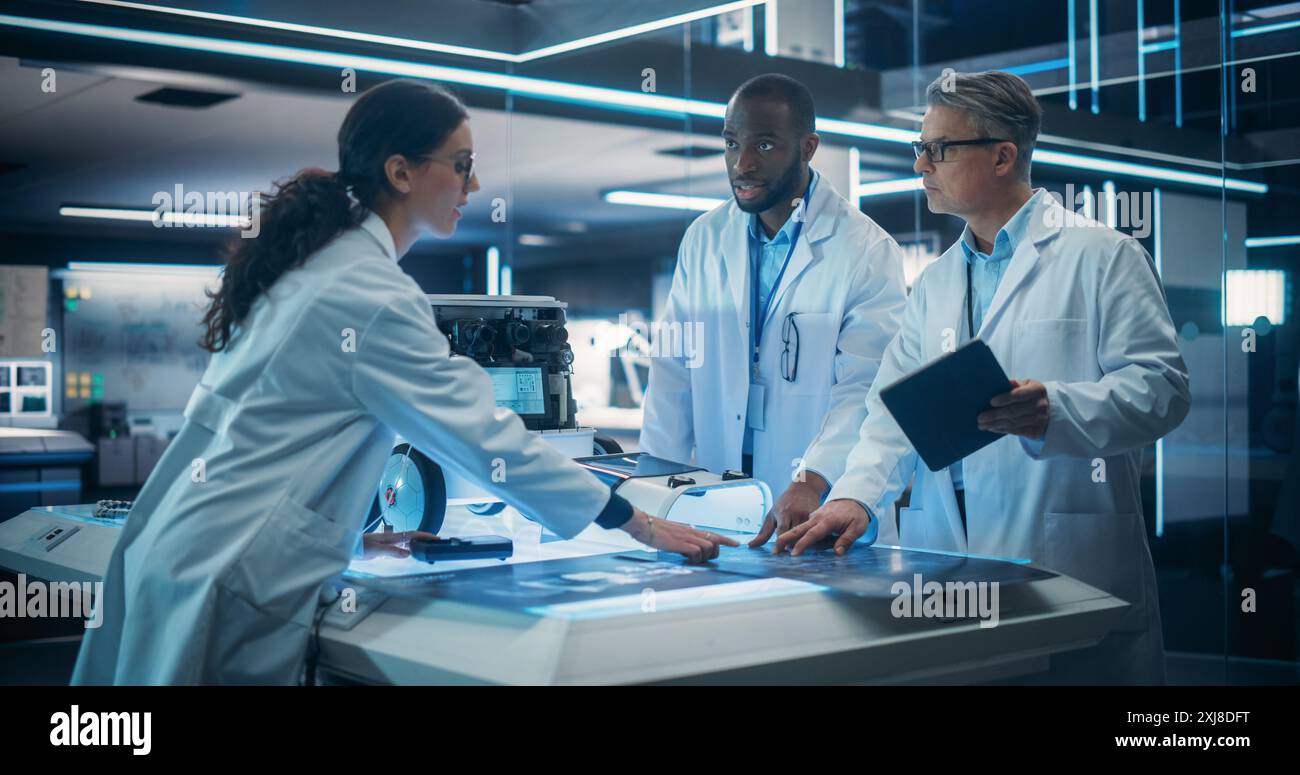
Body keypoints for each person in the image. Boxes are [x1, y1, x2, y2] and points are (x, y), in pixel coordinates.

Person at [73, 79, 735, 685]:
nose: (473, 188)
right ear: (401, 171)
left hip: (191, 552)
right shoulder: (373, 296)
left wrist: (349, 534)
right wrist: (635, 520)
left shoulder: (315, 271)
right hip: (229, 575)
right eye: (462, 165)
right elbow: (484, 441)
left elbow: (264, 438)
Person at [767, 71, 1189, 684]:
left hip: (1068, 559)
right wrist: (856, 496)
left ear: (1002, 155)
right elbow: (891, 415)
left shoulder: (1103, 256)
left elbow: (1164, 390)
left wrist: (1058, 409)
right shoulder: (936, 282)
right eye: (919, 149)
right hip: (951, 566)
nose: (921, 165)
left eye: (938, 149)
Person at [639, 74, 906, 533]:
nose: (741, 164)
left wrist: (810, 480)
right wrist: (651, 488)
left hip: (817, 507)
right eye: (730, 143)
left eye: (764, 146)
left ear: (807, 147)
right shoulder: (704, 239)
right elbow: (673, 374)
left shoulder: (865, 249)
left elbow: (862, 390)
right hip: (716, 503)